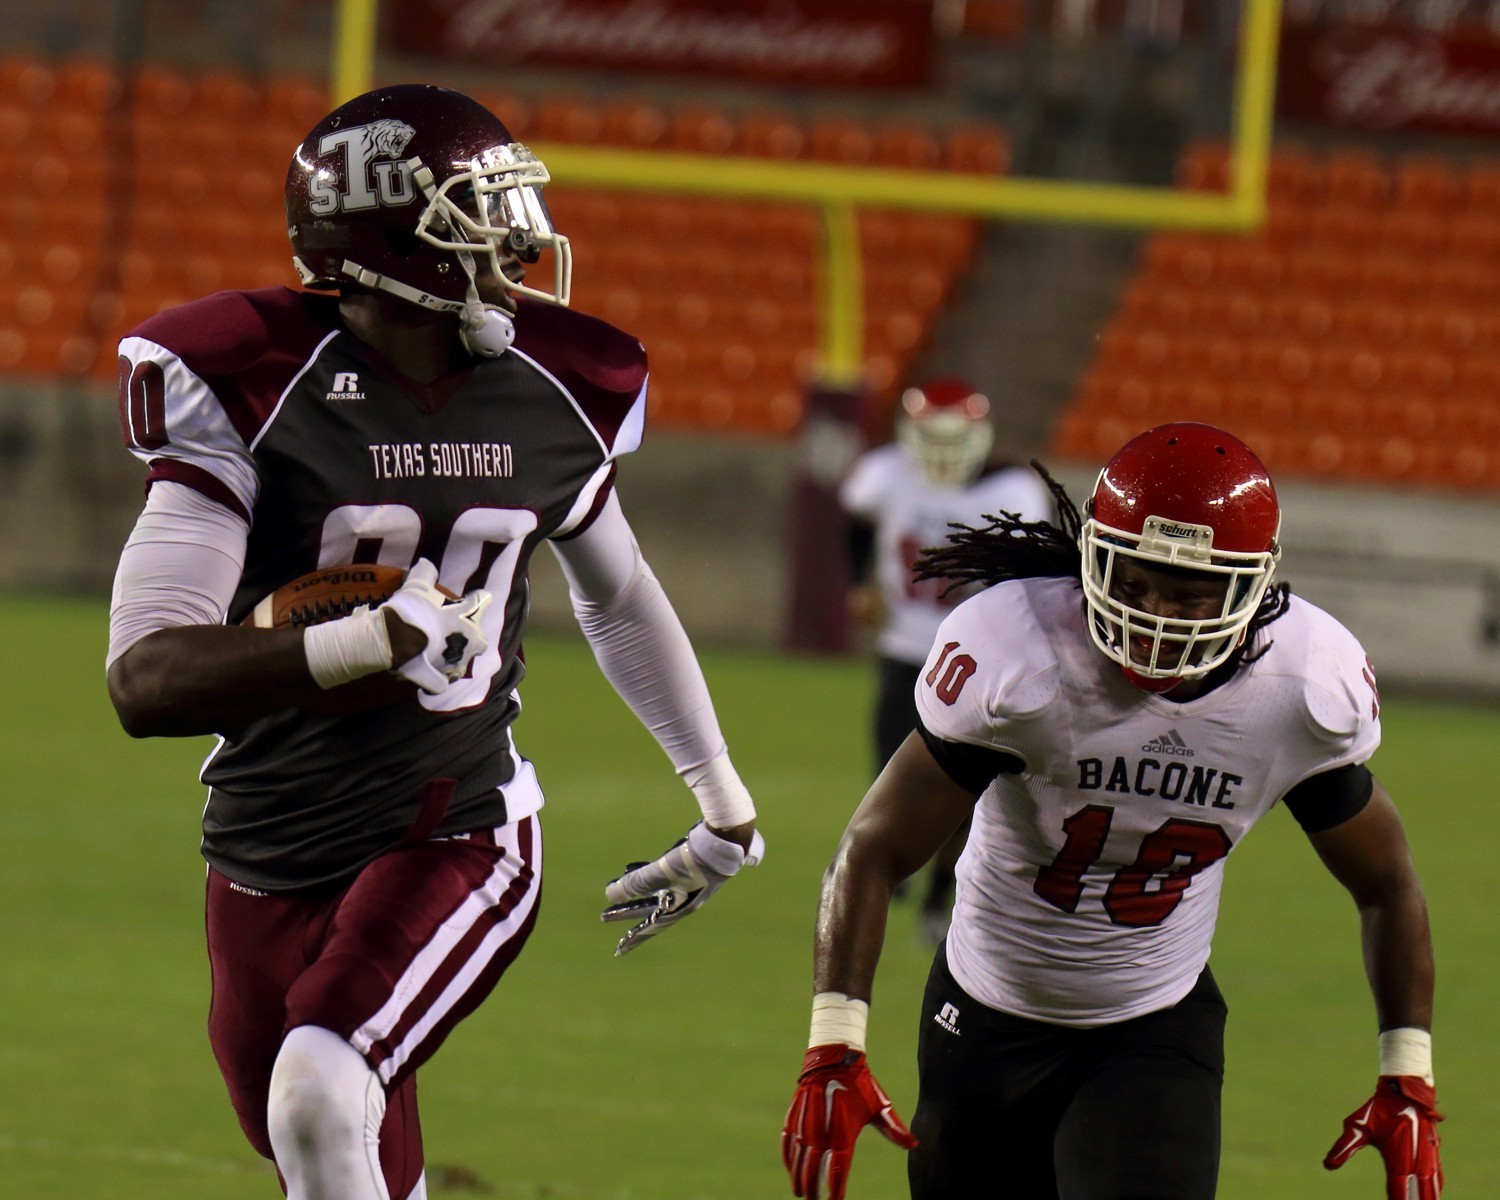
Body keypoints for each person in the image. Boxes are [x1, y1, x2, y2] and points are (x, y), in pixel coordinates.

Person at [105, 83, 763, 1200]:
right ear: (385, 235)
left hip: (457, 829)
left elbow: (619, 595)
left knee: (319, 1087)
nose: (514, 235)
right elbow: (147, 678)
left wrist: (720, 799)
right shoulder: (253, 381)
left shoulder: (555, 386)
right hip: (264, 843)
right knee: (331, 1143)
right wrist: (361, 643)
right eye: (477, 207)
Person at [783, 422, 1441, 1200]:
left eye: (1191, 586)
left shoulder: (1298, 689)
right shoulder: (1020, 655)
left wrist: (1409, 1072)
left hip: (1152, 1025)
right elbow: (873, 848)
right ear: (1092, 559)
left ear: (1253, 585)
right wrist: (834, 1042)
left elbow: (1387, 881)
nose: (1156, 613)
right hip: (983, 1014)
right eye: (1134, 579)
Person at [839, 377, 1051, 945]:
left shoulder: (1013, 489)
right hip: (904, 647)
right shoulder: (885, 474)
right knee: (888, 764)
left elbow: (1029, 579)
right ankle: (894, 863)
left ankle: (939, 893)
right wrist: (861, 582)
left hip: (971, 659)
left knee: (960, 787)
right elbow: (857, 525)